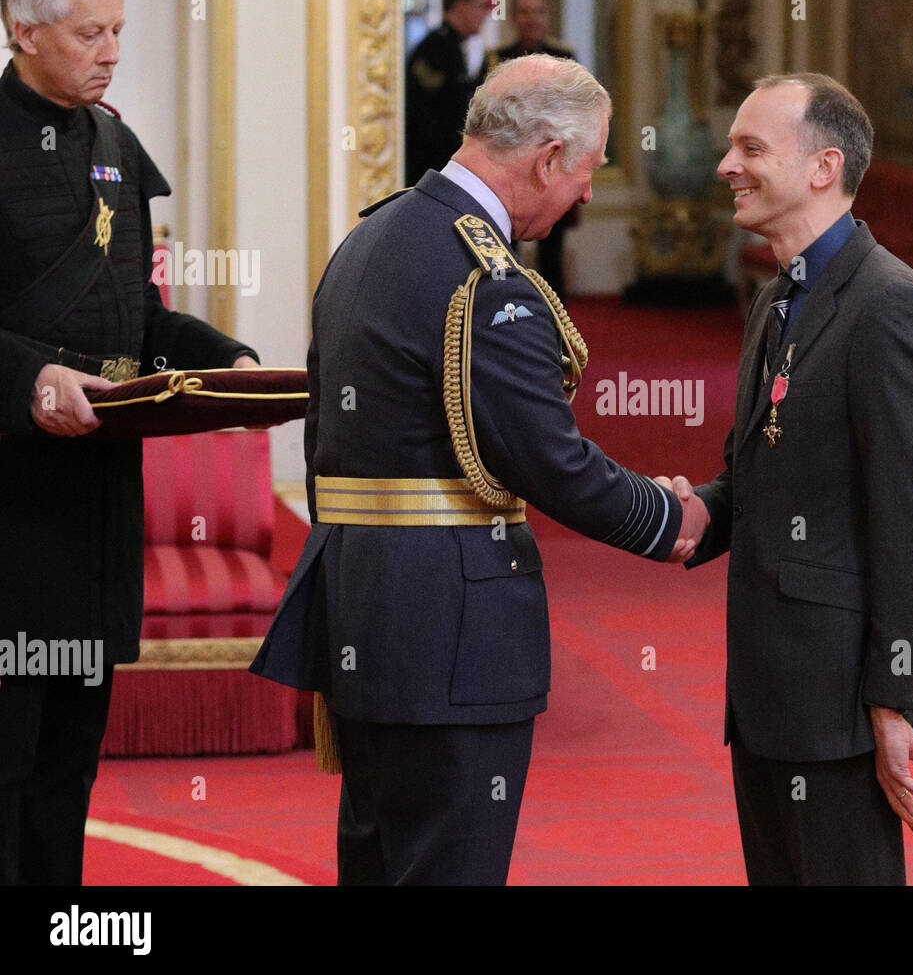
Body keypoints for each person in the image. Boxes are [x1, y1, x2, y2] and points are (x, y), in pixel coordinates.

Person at [250, 54, 708, 886]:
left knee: (379, 860)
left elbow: (327, 440)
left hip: (359, 603)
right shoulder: (485, 276)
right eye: (589, 169)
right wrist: (671, 520)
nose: (589, 195)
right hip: (452, 631)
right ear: (545, 159)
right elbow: (551, 461)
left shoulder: (369, 238)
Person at [0, 0, 259, 886]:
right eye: (89, 32)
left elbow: (136, 319)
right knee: (8, 763)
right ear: (23, 31)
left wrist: (224, 361)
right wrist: (33, 380)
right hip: (10, 508)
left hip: (96, 504)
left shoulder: (114, 145)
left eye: (119, 29)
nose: (111, 50)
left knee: (69, 762)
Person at [663, 73, 913, 885]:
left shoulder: (890, 305)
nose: (727, 165)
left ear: (824, 166)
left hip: (838, 709)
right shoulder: (774, 300)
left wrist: (897, 701)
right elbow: (752, 476)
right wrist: (674, 514)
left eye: (750, 148)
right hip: (767, 692)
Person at [482, 0, 578, 301]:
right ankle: (506, 307)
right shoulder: (496, 59)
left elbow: (577, 113)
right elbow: (482, 113)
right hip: (509, 165)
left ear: (547, 18)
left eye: (538, 11)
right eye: (524, 11)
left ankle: (554, 318)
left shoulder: (565, 59)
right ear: (514, 18)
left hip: (552, 164)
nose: (532, 19)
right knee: (507, 241)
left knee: (552, 247)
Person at [404, 0, 491, 185]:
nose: (485, 14)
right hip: (431, 167)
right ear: (461, 6)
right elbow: (433, 117)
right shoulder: (436, 48)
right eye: (480, 6)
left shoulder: (451, 46)